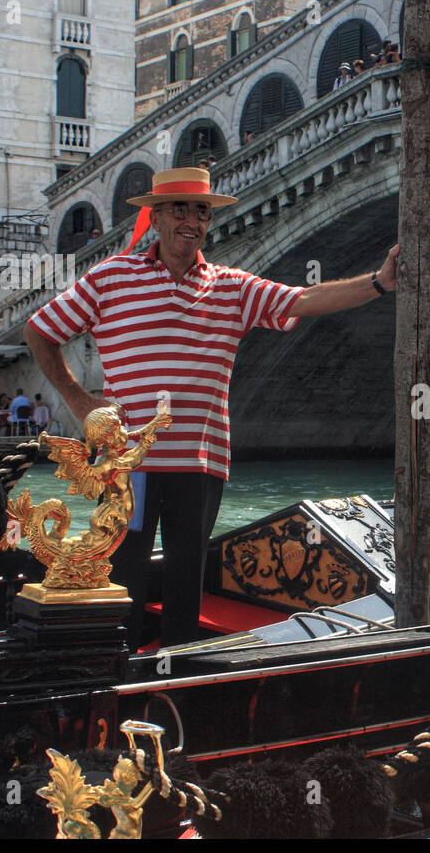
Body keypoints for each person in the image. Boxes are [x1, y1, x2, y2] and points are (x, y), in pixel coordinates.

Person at [25, 167, 403, 649]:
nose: (192, 220)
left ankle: (177, 675)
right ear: (155, 218)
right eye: (180, 209)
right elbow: (40, 331)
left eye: (201, 211)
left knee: (187, 579)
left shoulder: (233, 288)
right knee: (122, 573)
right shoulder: (109, 279)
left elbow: (305, 298)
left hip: (200, 464)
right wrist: (80, 402)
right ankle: (112, 670)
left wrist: (378, 282)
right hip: (127, 468)